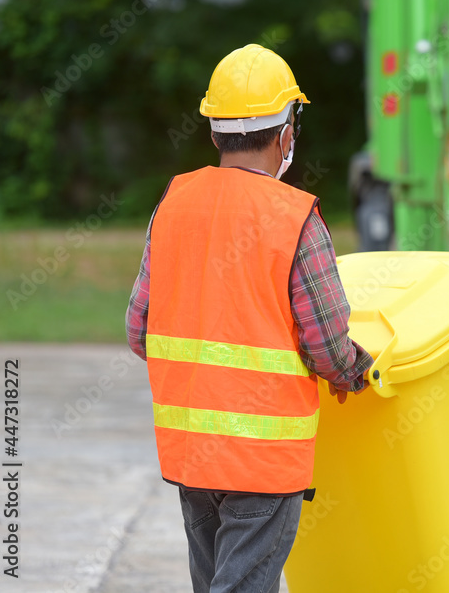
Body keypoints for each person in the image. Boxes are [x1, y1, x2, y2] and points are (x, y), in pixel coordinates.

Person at [125, 43, 373, 593]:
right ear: (287, 132)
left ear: (214, 132)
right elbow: (327, 344)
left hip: (192, 457)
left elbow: (139, 328)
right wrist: (354, 371)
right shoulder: (296, 219)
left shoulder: (174, 202)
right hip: (262, 462)